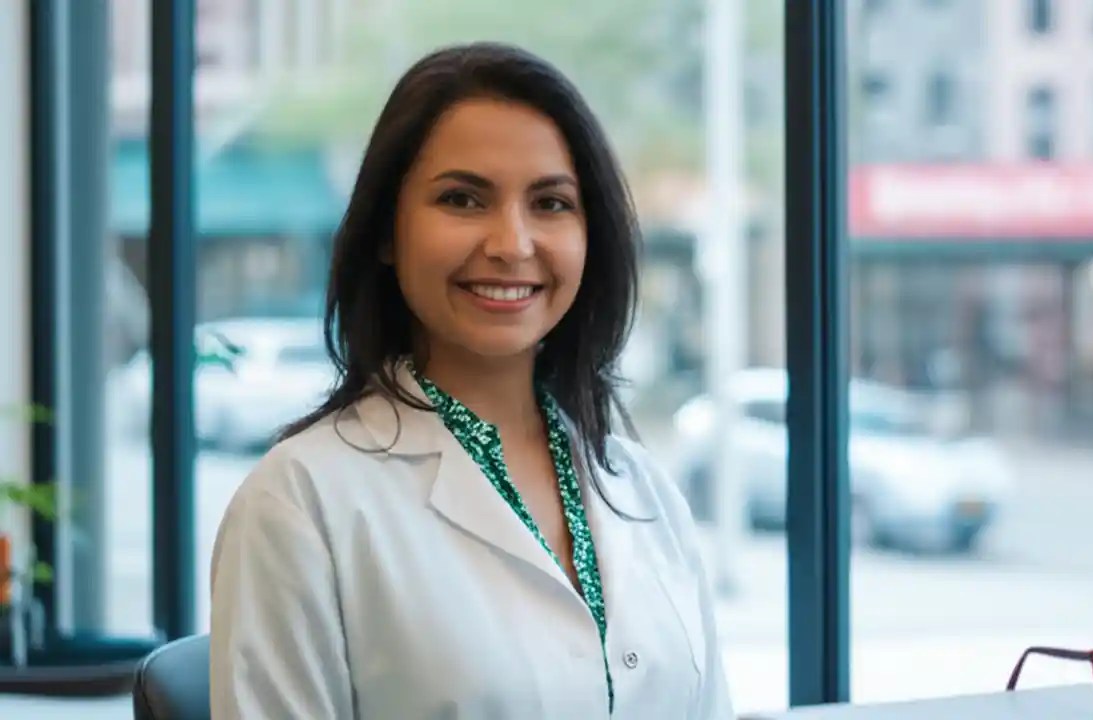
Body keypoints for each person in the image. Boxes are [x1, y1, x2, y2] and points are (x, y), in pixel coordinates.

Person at [208, 43, 733, 719]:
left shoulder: (642, 488)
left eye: (550, 203)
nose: (513, 244)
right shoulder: (300, 503)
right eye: (462, 199)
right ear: (387, 234)